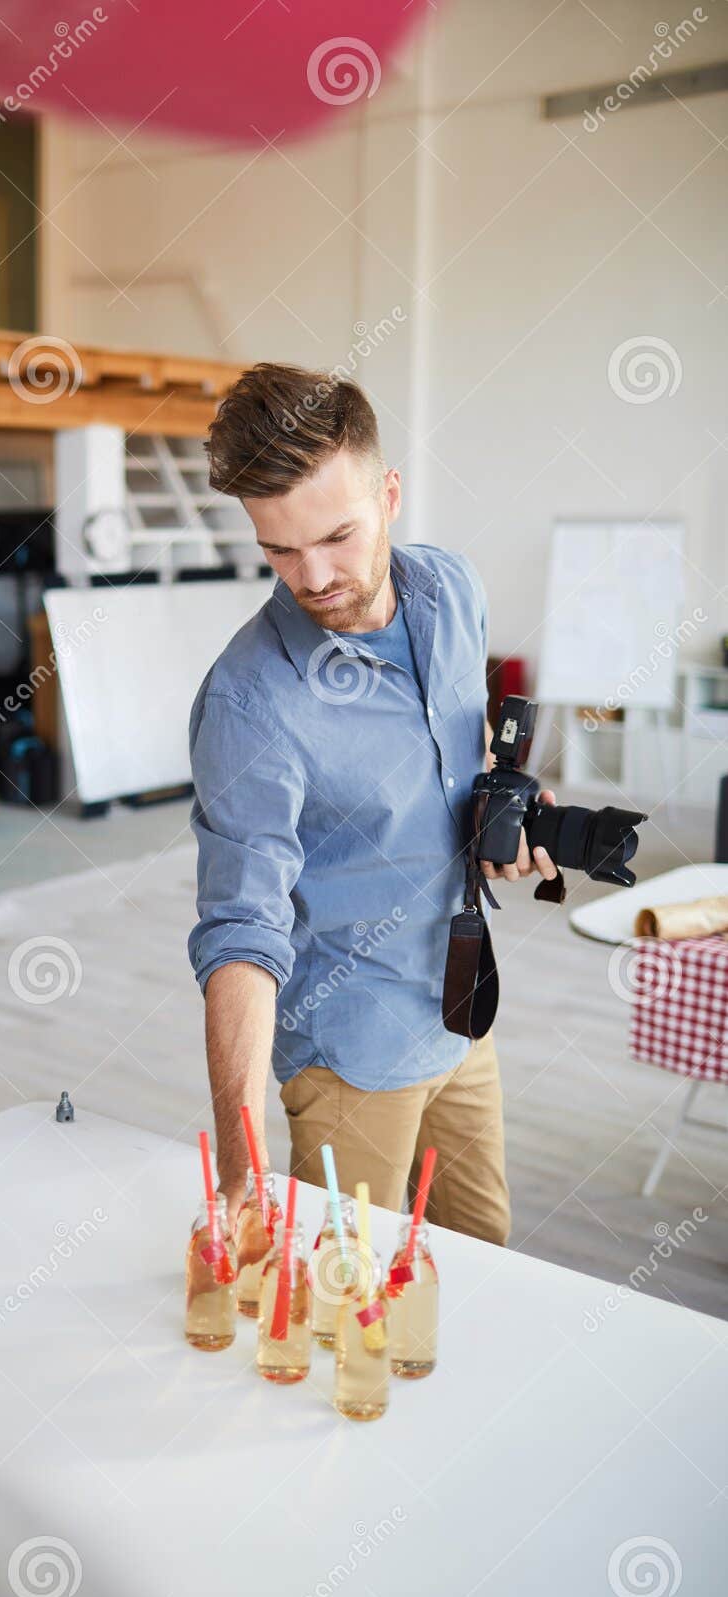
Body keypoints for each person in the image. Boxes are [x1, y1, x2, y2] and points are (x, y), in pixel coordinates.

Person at [187, 363, 558, 1246]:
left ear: (388, 495)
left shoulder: (452, 591)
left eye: (336, 536)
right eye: (278, 550)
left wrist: (502, 811)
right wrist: (241, 1169)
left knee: (483, 1262)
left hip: (462, 1009)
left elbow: (444, 765)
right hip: (350, 1052)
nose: (311, 576)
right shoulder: (250, 701)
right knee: (348, 1307)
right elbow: (240, 930)